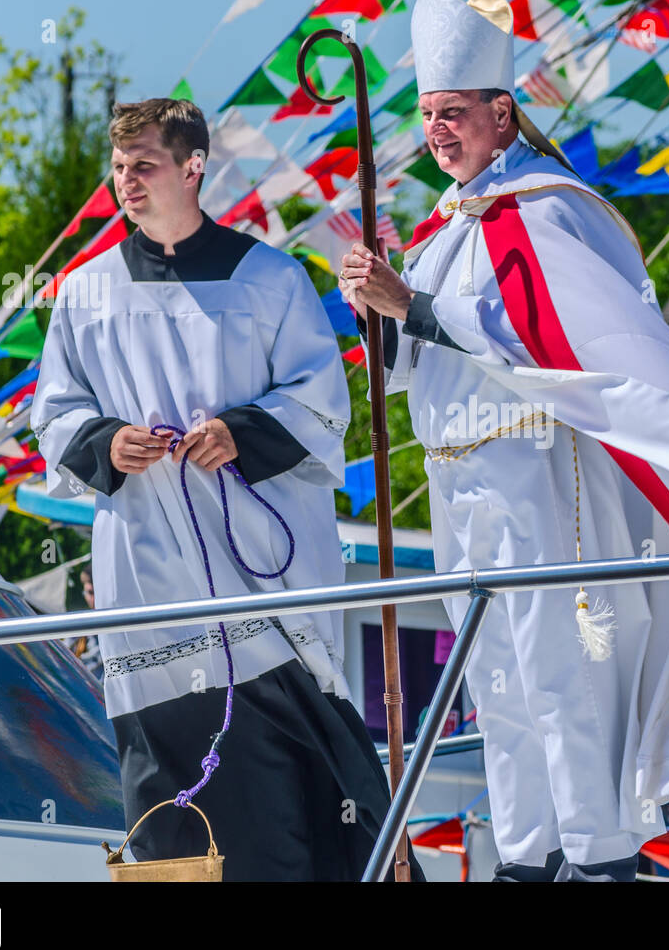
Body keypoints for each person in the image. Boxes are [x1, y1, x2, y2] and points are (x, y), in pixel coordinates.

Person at [341, 0, 669, 882]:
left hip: (543, 483)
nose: (438, 131)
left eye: (454, 112)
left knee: (561, 675)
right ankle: (528, 856)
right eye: (428, 114)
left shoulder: (543, 208)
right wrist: (381, 313)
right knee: (493, 684)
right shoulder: (441, 231)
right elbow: (419, 363)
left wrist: (410, 308)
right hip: (467, 492)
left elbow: (550, 344)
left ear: (502, 113)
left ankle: (597, 855)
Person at [32, 97, 420, 881]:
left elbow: (322, 400)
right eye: (118, 169)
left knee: (292, 807)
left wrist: (242, 431)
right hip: (148, 596)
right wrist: (108, 441)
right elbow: (53, 416)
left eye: (143, 165)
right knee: (172, 819)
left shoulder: (268, 278)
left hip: (259, 593)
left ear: (193, 168)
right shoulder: (85, 294)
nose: (126, 183)